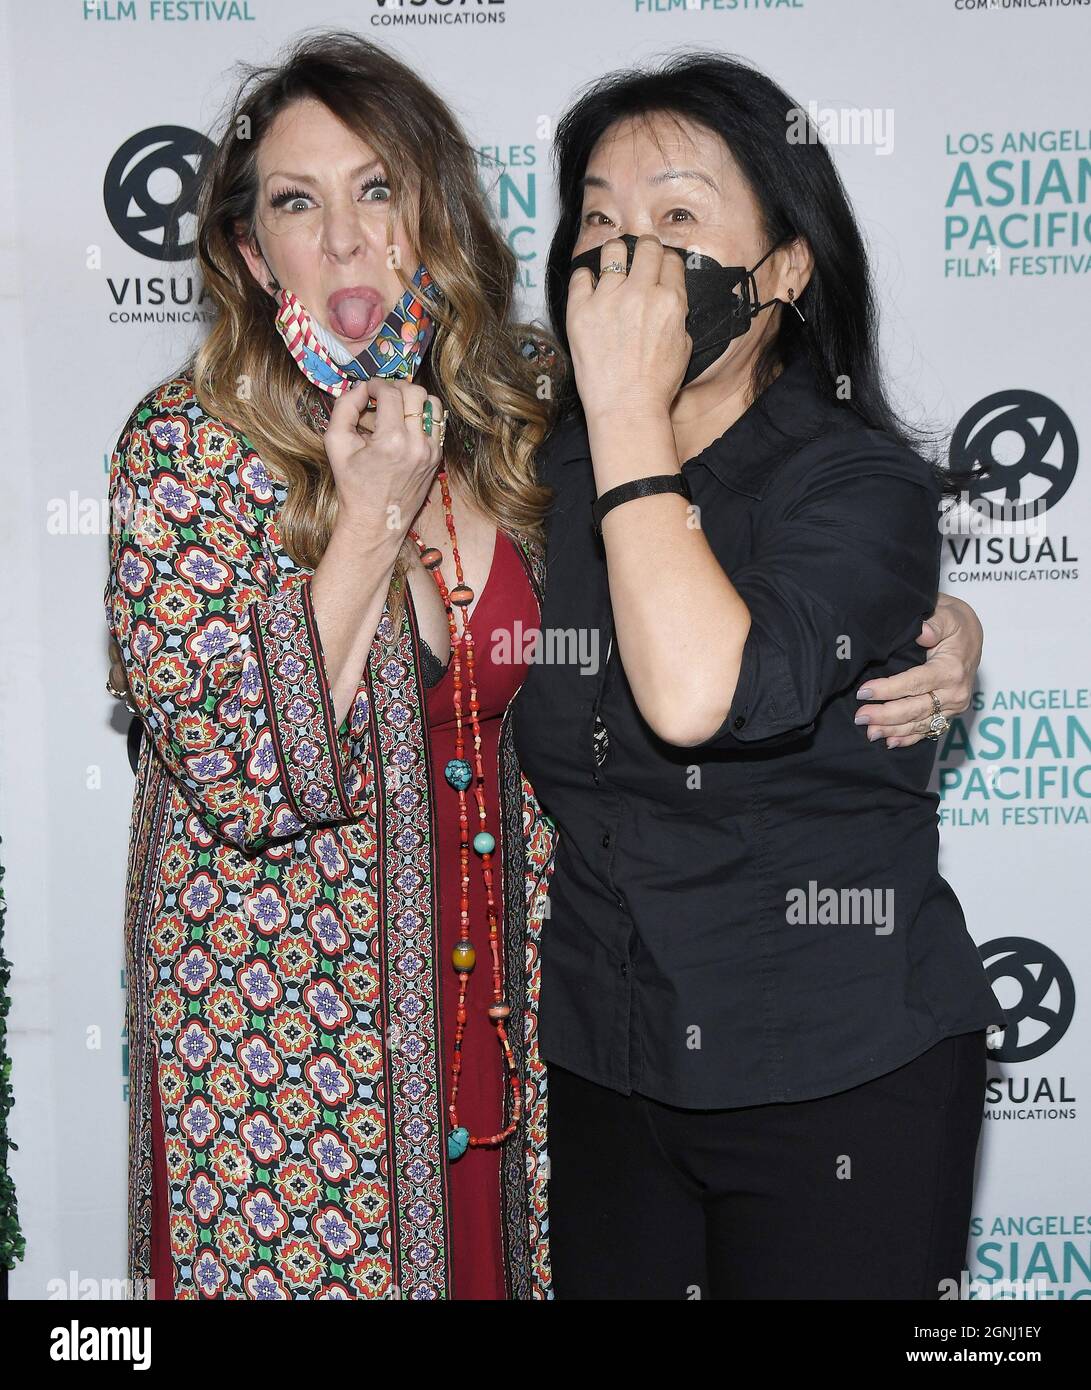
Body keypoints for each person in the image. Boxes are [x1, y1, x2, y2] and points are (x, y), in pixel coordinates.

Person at [511, 52, 1006, 1300]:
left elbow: (699, 696)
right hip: (600, 1064)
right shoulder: (536, 473)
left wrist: (627, 415)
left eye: (678, 219)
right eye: (602, 223)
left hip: (835, 1073)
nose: (628, 261)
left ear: (783, 269)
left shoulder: (856, 484)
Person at [103, 31, 556, 1301]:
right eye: (298, 203)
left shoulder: (509, 422)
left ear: (432, 216)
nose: (346, 240)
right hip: (282, 1073)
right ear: (253, 253)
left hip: (491, 1040)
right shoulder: (182, 453)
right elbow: (242, 773)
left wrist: (928, 609)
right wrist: (367, 517)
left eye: (377, 190)